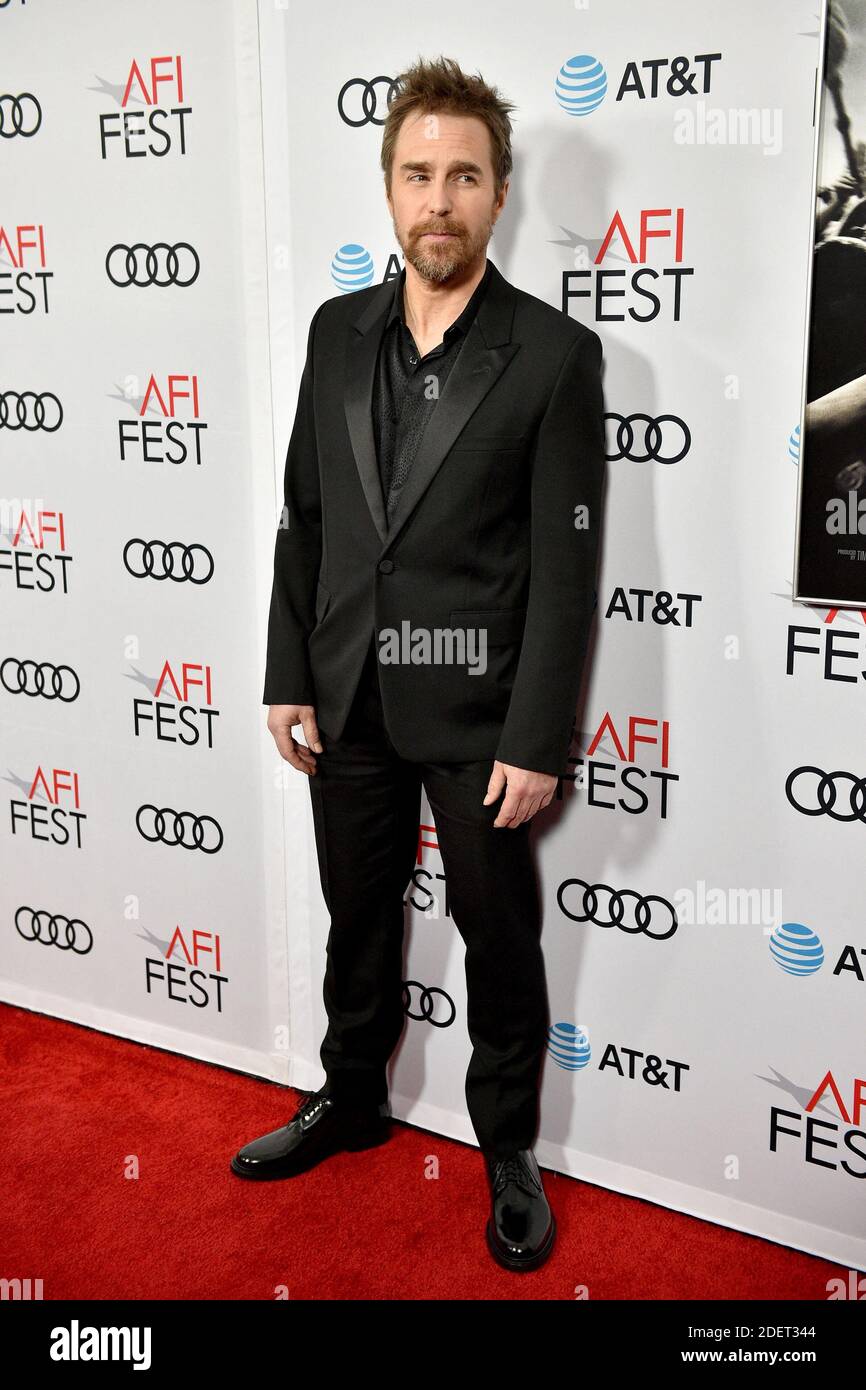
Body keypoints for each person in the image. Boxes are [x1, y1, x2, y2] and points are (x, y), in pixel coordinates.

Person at [230, 54, 606, 1274]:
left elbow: (562, 569)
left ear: (498, 194)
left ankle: (506, 1148)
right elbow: (305, 516)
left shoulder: (551, 355)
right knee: (357, 919)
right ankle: (349, 1096)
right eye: (415, 175)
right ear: (386, 190)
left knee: (497, 934)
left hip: (481, 711)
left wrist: (535, 737)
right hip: (345, 699)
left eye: (462, 176)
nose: (436, 200)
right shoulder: (335, 331)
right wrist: (290, 668)